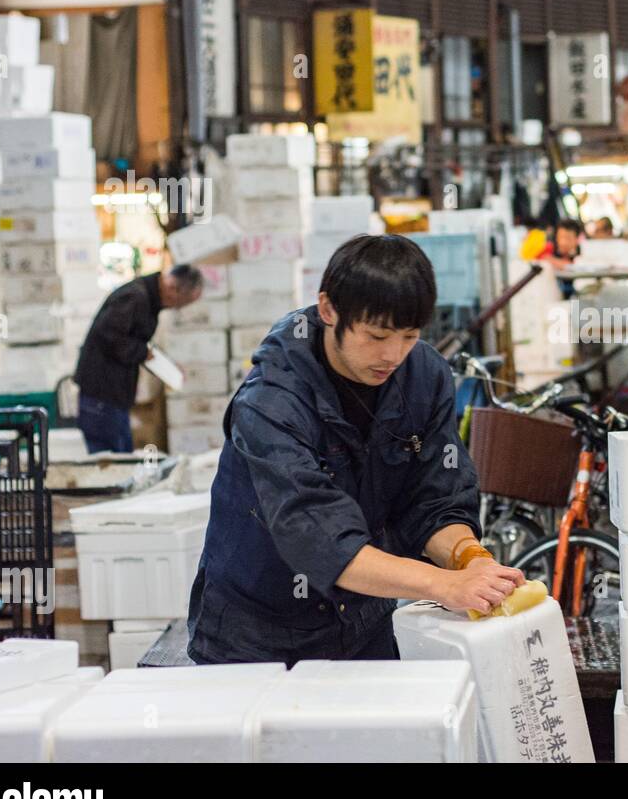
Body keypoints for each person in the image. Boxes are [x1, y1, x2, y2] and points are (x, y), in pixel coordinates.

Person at [187, 235, 525, 665]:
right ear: (329, 310)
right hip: (256, 636)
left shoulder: (424, 375)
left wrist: (468, 560)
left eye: (409, 336)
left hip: (366, 622)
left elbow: (434, 500)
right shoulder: (272, 401)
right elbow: (321, 540)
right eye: (377, 335)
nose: (393, 355)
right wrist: (443, 585)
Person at [74, 264, 204, 453]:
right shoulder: (135, 297)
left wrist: (167, 365)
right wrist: (143, 353)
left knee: (122, 460)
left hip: (114, 396)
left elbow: (133, 339)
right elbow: (110, 336)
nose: (177, 308)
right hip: (102, 396)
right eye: (181, 303)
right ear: (172, 289)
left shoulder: (147, 298)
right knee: (110, 464)